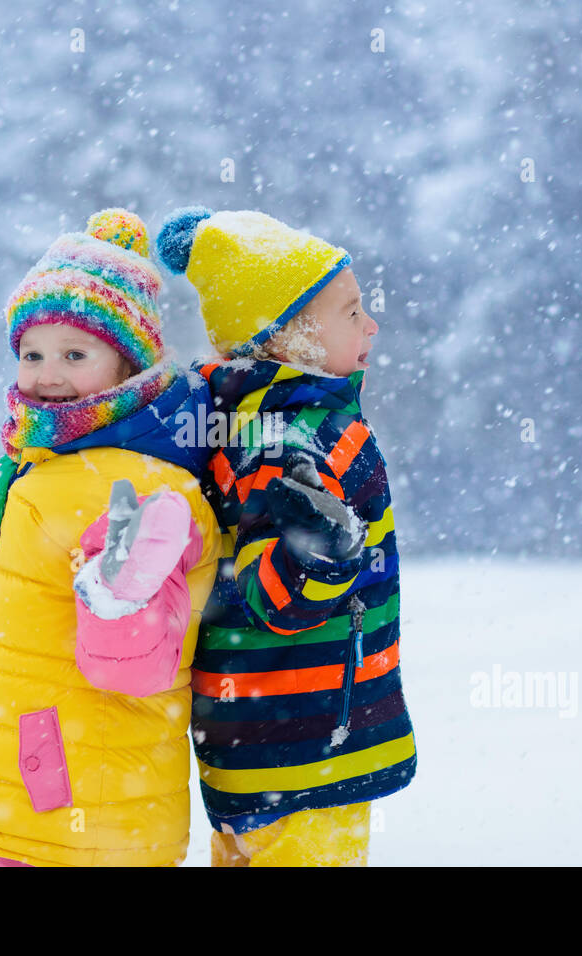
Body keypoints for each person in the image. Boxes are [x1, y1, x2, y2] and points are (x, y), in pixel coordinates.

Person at [0, 208, 222, 866]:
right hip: (57, 778)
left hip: (76, 789)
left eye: (74, 354)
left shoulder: (125, 481)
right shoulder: (66, 466)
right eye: (32, 353)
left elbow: (138, 663)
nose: (45, 372)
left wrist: (120, 592)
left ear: (125, 368)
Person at [155, 206, 417, 866]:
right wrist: (322, 553)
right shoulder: (282, 439)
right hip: (300, 757)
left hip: (275, 746)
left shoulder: (273, 421)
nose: (371, 325)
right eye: (351, 312)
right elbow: (276, 599)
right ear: (290, 337)